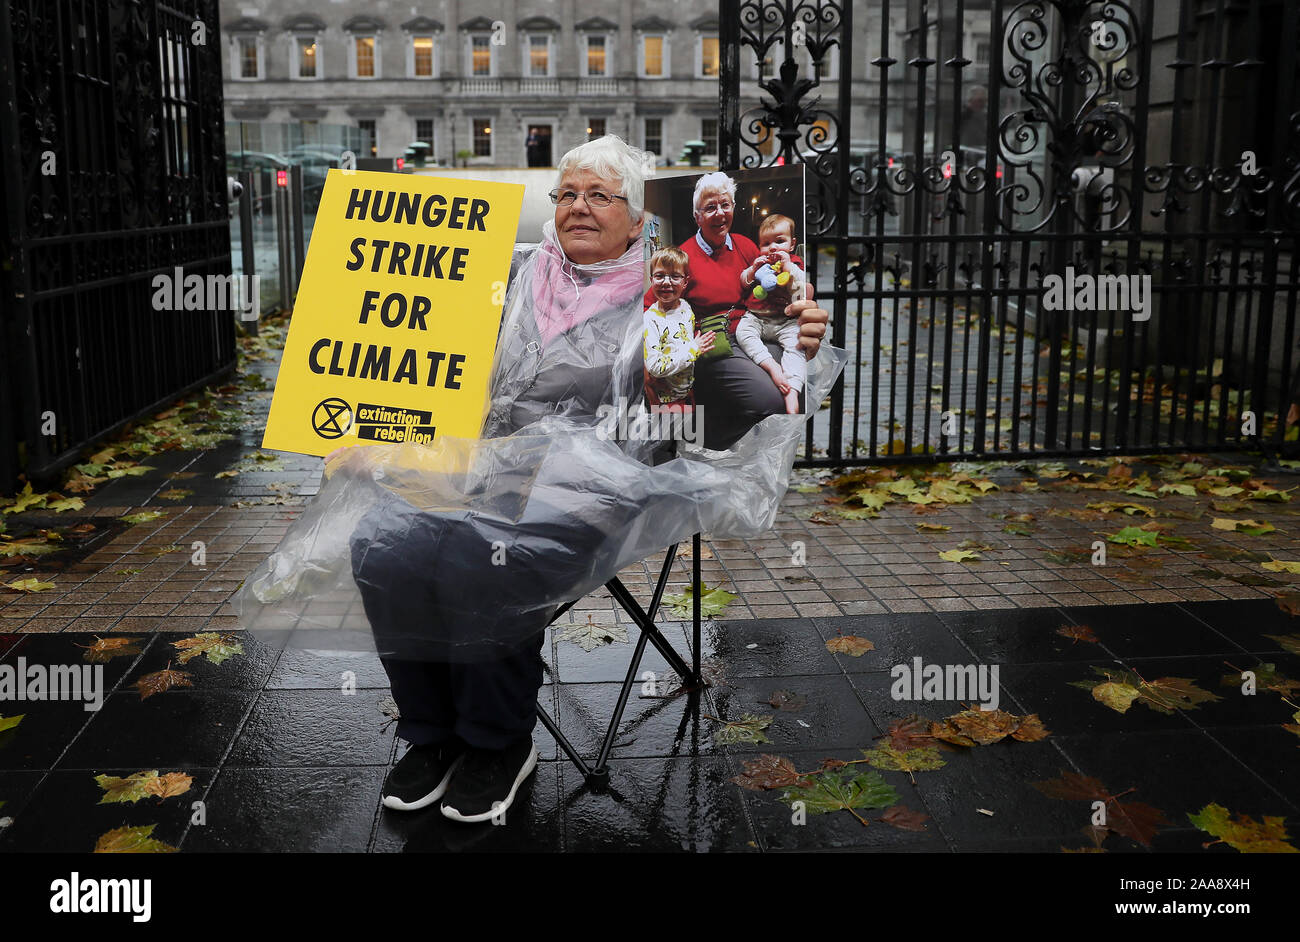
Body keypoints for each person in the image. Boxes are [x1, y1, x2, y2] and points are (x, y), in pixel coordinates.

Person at [323, 136, 830, 825]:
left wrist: (791, 335)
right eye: (567, 194)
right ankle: (433, 734)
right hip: (483, 462)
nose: (579, 207)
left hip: (604, 478)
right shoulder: (512, 272)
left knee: (482, 557)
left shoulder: (675, 293)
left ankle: (497, 745)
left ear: (638, 216)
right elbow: (414, 343)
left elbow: (740, 374)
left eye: (600, 195)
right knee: (385, 542)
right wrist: (370, 427)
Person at [646, 171, 818, 450]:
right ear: (697, 216)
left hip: (755, 330)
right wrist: (647, 356)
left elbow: (772, 285)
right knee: (771, 399)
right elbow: (649, 302)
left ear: (733, 209)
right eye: (710, 207)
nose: (719, 213)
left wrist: (796, 294)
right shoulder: (685, 257)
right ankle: (708, 442)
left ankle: (735, 453)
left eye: (725, 205)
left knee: (795, 382)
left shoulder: (745, 245)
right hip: (717, 341)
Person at [736, 213, 807, 414]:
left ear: (792, 244)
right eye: (766, 243)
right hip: (756, 317)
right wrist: (753, 270)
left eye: (779, 241)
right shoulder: (760, 263)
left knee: (797, 345)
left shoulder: (795, 262)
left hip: (785, 320)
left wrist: (787, 265)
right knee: (742, 331)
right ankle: (771, 366)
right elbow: (743, 280)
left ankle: (792, 389)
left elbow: (802, 285)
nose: (772, 248)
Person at [644, 247, 714, 407]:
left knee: (692, 429)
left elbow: (683, 341)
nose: (667, 282)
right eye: (660, 276)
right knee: (674, 431)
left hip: (686, 389)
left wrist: (694, 345)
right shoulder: (650, 319)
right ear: (651, 279)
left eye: (675, 276)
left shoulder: (685, 307)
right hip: (666, 400)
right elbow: (655, 367)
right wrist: (693, 349)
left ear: (685, 283)